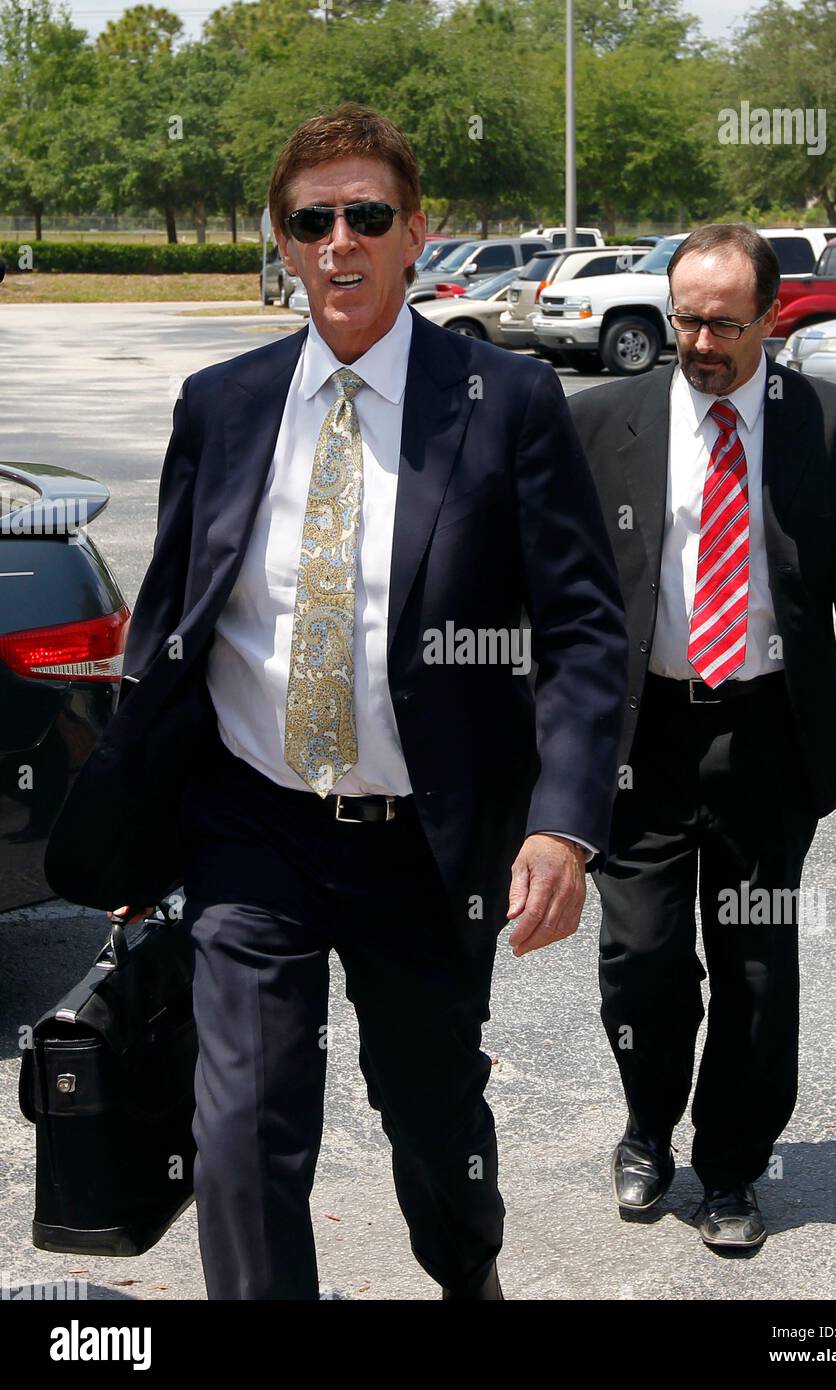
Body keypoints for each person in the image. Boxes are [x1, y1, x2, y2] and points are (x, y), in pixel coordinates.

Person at [45, 104, 628, 1299]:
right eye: (314, 222)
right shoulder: (222, 403)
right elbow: (174, 618)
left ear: (418, 234)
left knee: (433, 1126)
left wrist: (564, 823)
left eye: (368, 216)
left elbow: (582, 627)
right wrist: (134, 805)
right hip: (253, 826)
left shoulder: (506, 400)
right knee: (244, 1133)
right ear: (285, 242)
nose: (341, 243)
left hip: (428, 842)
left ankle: (468, 1274)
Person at [569, 222, 836, 1250]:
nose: (699, 341)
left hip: (768, 742)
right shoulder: (601, 423)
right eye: (686, 316)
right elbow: (553, 592)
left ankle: (732, 1166)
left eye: (725, 323)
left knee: (759, 967)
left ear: (772, 318)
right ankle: (648, 1126)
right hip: (640, 741)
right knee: (641, 959)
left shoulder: (831, 425)